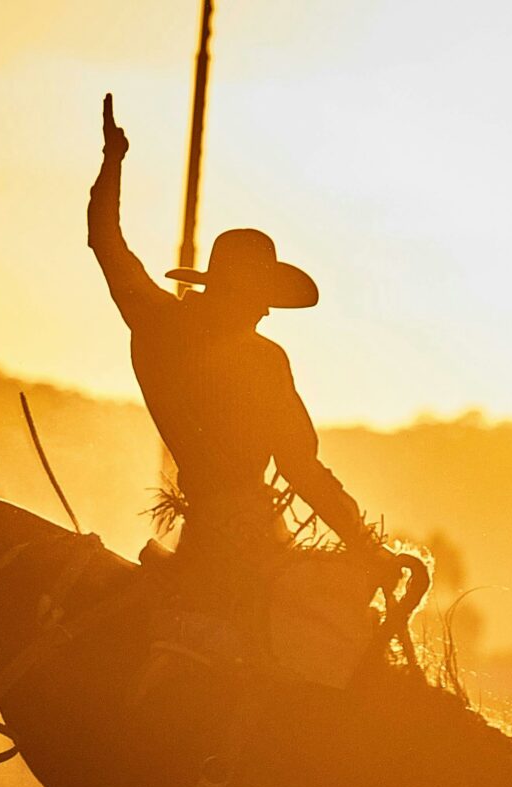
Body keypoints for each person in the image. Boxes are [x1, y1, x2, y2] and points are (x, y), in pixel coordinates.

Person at [88, 95, 395, 621]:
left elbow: (106, 241)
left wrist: (112, 163)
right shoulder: (260, 361)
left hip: (215, 534)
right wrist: (366, 547)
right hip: (243, 545)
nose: (267, 314)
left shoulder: (158, 326)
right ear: (239, 296)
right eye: (262, 302)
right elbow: (302, 467)